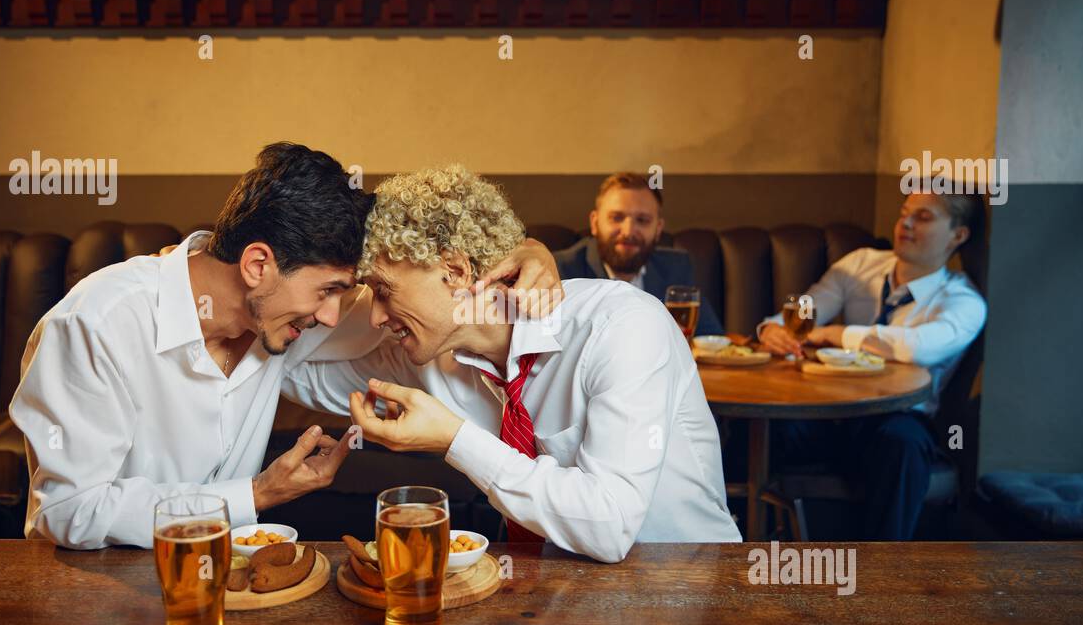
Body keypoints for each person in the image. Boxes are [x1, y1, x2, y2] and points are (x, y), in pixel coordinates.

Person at [10, 142, 561, 550]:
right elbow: (70, 510)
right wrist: (256, 495)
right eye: (329, 292)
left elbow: (429, 302)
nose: (333, 315)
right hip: (98, 600)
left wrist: (527, 252)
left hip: (235, 591)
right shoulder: (95, 326)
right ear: (257, 265)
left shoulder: (285, 315)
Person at [282, 164, 741, 563]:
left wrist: (454, 440)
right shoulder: (428, 359)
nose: (375, 315)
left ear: (457, 272)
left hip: (689, 585)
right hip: (552, 593)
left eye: (383, 290)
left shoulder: (622, 327)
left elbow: (611, 525)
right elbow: (281, 357)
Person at [757, 189, 988, 539]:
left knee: (903, 445)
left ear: (958, 235)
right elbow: (804, 309)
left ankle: (881, 577)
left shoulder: (964, 301)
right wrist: (771, 329)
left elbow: (918, 348)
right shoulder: (861, 263)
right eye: (904, 213)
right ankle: (730, 550)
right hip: (828, 413)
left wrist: (839, 334)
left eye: (923, 217)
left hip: (899, 419)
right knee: (757, 427)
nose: (905, 224)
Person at [553, 171, 724, 336]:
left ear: (658, 229)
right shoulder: (561, 269)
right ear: (595, 223)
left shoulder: (676, 268)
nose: (628, 231)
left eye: (642, 220)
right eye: (617, 218)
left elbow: (710, 339)